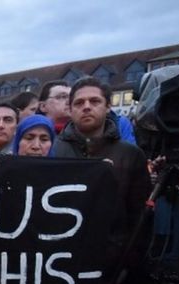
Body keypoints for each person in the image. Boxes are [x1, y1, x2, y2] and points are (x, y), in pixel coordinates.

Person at [52, 76, 150, 264]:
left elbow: (138, 214)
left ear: (107, 107)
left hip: (112, 255)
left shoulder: (130, 155)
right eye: (79, 102)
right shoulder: (54, 150)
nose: (87, 106)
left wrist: (129, 256)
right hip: (61, 254)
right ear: (71, 110)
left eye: (95, 101)